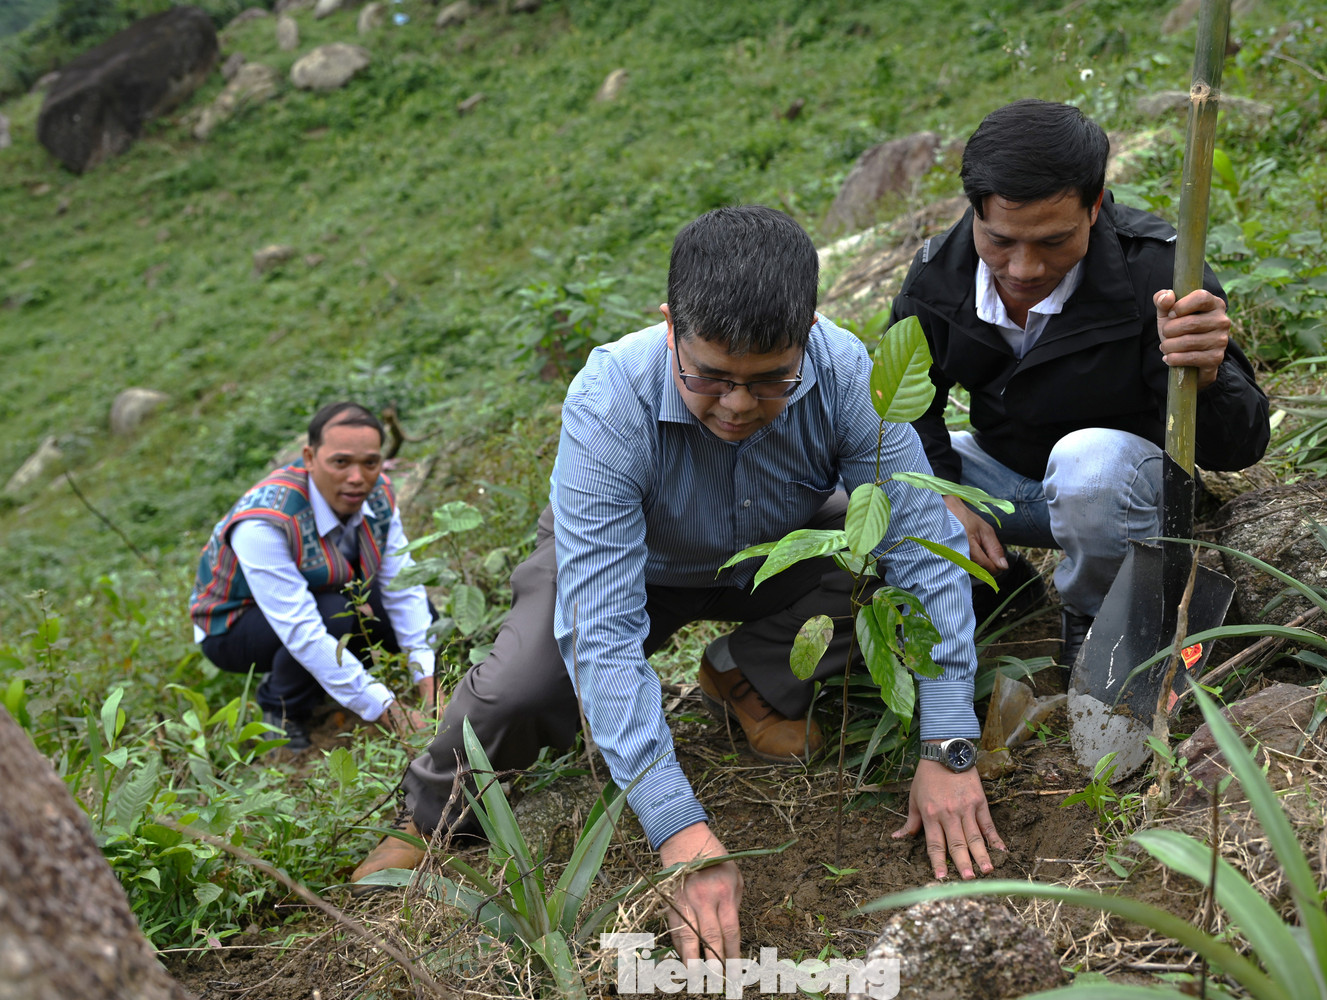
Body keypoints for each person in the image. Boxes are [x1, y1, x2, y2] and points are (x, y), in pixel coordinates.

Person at [354, 206, 1001, 964]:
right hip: (633, 563)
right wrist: (680, 831)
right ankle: (430, 819)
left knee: (949, 571)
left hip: (770, 545)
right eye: (711, 377)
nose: (735, 406)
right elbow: (602, 634)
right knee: (522, 689)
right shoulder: (610, 401)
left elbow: (919, 545)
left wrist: (948, 744)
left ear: (809, 332)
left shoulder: (849, 372)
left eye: (769, 383)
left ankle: (745, 674)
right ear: (669, 326)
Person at [889, 99, 1271, 666]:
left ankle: (1099, 618)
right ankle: (992, 585)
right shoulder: (935, 280)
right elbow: (906, 413)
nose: (1023, 269)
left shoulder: (1157, 274)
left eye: (1052, 242)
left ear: (1095, 208)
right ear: (974, 212)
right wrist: (940, 494)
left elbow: (1240, 447)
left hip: (1127, 494)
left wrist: (1209, 376)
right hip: (1012, 478)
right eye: (1000, 241)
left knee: (1086, 464)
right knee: (858, 483)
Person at [190, 402, 439, 750]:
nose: (357, 477)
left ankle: (335, 678)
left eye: (369, 462)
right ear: (309, 458)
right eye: (341, 462)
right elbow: (301, 629)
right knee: (332, 615)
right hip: (232, 626)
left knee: (424, 613)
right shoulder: (263, 523)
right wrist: (389, 710)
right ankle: (281, 708)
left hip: (327, 597)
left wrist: (427, 680)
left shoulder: (379, 492)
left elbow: (403, 586)